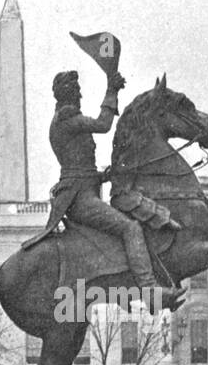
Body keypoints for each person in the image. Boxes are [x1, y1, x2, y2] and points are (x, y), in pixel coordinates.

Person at [23, 69, 160, 295]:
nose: (80, 96)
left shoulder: (64, 121)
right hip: (80, 200)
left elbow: (78, 169)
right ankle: (149, 289)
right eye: (77, 92)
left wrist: (103, 175)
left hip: (83, 191)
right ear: (70, 95)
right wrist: (112, 89)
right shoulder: (68, 119)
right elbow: (104, 124)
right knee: (131, 228)